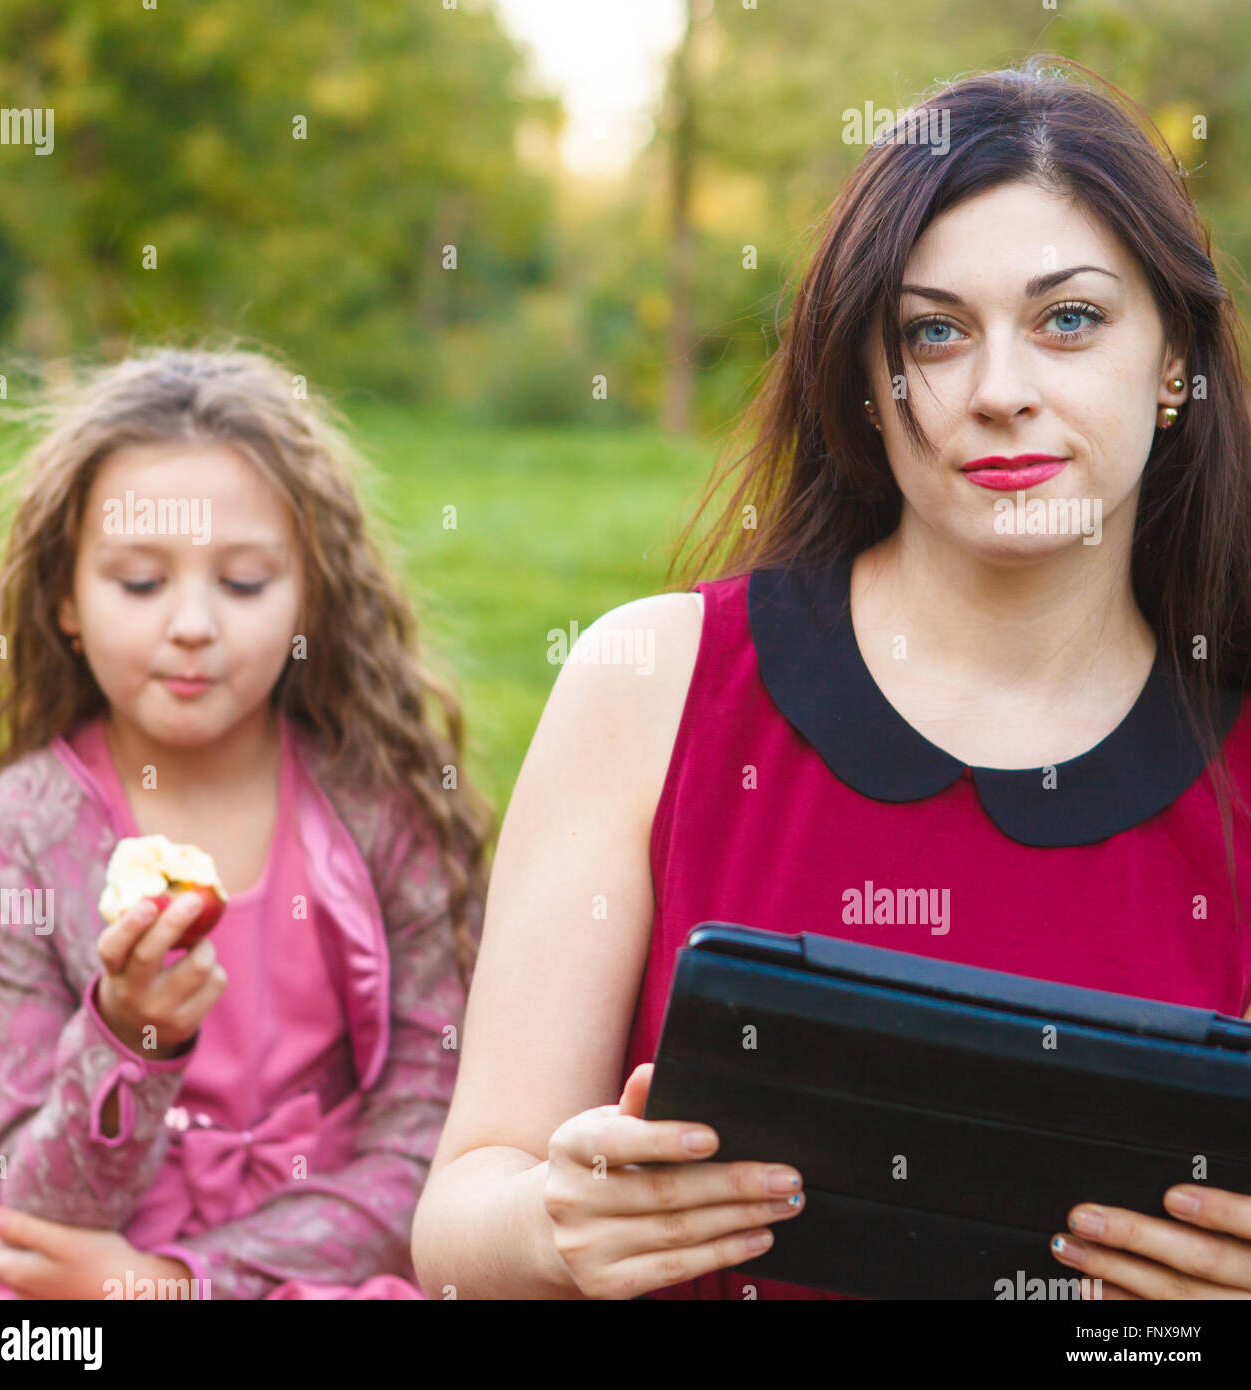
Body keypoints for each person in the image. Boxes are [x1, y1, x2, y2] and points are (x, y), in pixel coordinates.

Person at [410, 55, 1251, 1301]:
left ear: (1173, 357)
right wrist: (549, 1226)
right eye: (934, 331)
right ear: (870, 380)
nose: (1001, 391)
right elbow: (458, 1223)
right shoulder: (649, 680)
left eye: (1069, 319)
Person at [0, 345, 492, 1299]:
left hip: (329, 1266)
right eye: (139, 582)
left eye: (242, 583)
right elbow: (36, 1203)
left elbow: (427, 1146)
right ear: (63, 600)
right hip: (71, 1266)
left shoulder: (388, 813)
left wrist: (179, 1285)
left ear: (308, 598)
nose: (193, 623)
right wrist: (131, 1039)